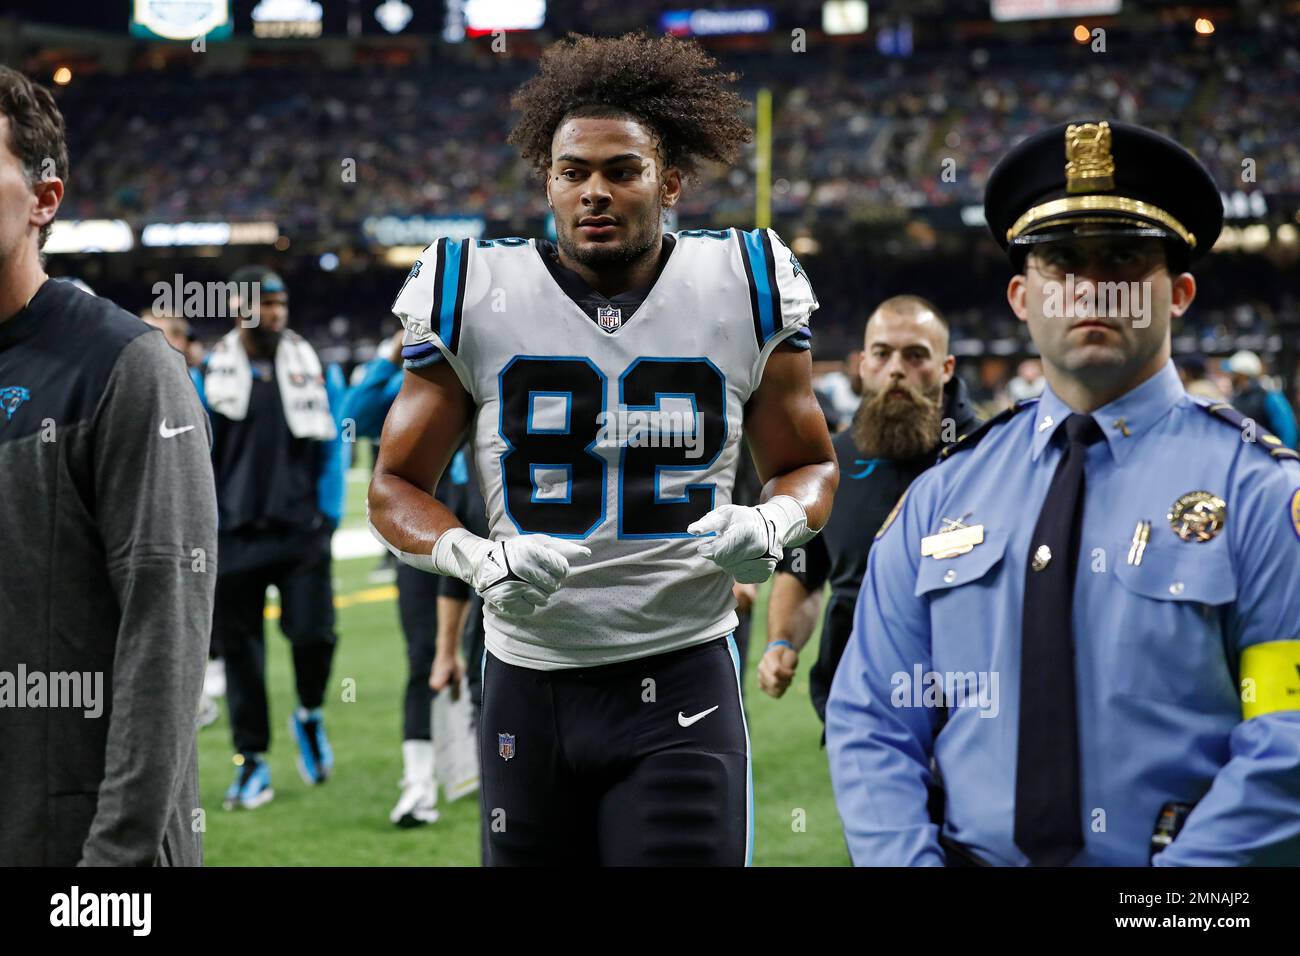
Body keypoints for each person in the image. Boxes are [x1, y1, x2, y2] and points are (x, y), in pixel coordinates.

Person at [368, 33, 837, 866]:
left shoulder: (746, 279)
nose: (595, 191)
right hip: (527, 677)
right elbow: (395, 484)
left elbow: (810, 463)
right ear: (546, 182)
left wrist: (775, 524)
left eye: (623, 170)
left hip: (683, 677)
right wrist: (470, 555)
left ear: (671, 181)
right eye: (572, 171)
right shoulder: (471, 288)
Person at [827, 120, 1300, 866]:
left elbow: (1288, 735)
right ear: (1021, 296)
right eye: (1060, 262)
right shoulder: (940, 498)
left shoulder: (1263, 495)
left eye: (1123, 257)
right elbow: (874, 717)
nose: (1091, 287)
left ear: (1178, 293)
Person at [0, 66, 216, 865]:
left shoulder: (126, 366)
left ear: (45, 199)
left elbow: (165, 638)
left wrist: (115, 864)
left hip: (81, 854)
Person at [759, 296, 979, 727]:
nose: (896, 368)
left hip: (968, 709)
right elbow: (803, 573)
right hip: (857, 706)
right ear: (862, 363)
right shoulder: (828, 464)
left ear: (947, 368)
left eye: (915, 355)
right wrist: (781, 642)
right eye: (882, 353)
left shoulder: (987, 456)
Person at [195, 266, 347, 810]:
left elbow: (335, 444)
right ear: (239, 309)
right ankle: (253, 762)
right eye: (265, 304)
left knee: (315, 636)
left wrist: (328, 516)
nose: (276, 314)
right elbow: (194, 457)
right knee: (242, 656)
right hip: (233, 535)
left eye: (282, 303)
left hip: (301, 531)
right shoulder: (211, 374)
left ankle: (308, 712)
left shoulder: (313, 366)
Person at [342, 333, 484, 826]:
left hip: (495, 528)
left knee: (503, 651)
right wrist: (388, 354)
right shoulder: (415, 369)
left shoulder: (488, 348)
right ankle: (418, 784)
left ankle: (492, 762)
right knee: (426, 654)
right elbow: (355, 417)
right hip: (428, 533)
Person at [1225, 349, 1299, 451]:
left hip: (1269, 459)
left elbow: (1287, 430)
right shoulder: (1237, 398)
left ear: (1243, 374)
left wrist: (1283, 456)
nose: (1231, 377)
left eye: (1234, 373)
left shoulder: (1269, 396)